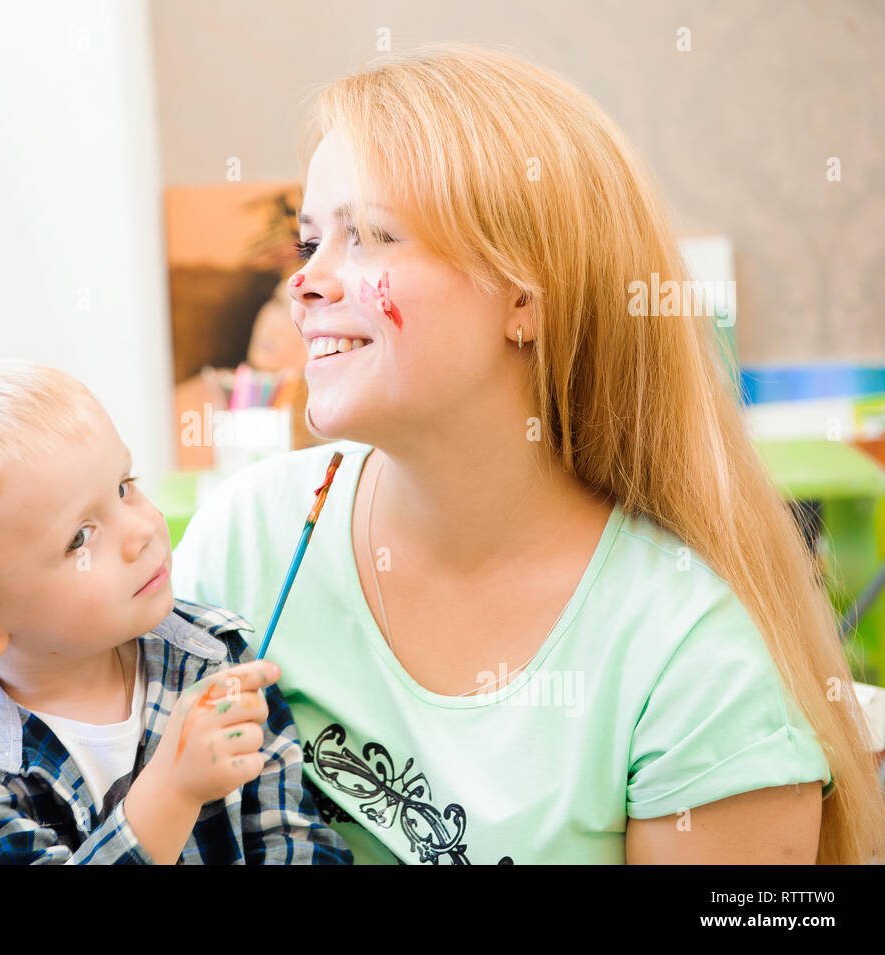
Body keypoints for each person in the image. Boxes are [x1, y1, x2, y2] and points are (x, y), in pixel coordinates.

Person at [170, 45, 885, 864]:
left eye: (367, 237)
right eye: (310, 244)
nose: (306, 283)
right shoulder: (248, 537)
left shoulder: (695, 658)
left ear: (524, 297)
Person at [0, 356, 351, 865]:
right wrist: (171, 791)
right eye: (79, 537)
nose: (142, 530)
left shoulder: (215, 655)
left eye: (124, 487)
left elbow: (292, 838)